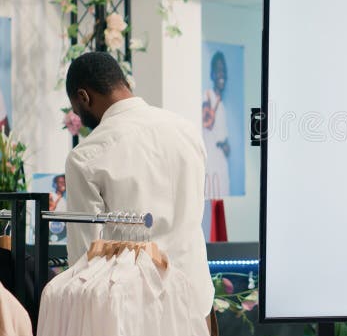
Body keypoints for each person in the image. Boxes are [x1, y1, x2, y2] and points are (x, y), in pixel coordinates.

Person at [64, 51, 214, 322]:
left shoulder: (86, 156)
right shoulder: (187, 131)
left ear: (84, 97)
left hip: (134, 311)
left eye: (77, 109)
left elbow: (83, 258)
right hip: (196, 301)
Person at [202, 51, 231, 197]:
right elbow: (207, 125)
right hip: (211, 164)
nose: (222, 74)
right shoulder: (207, 97)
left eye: (224, 70)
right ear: (212, 74)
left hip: (221, 163)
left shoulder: (222, 104)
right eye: (218, 70)